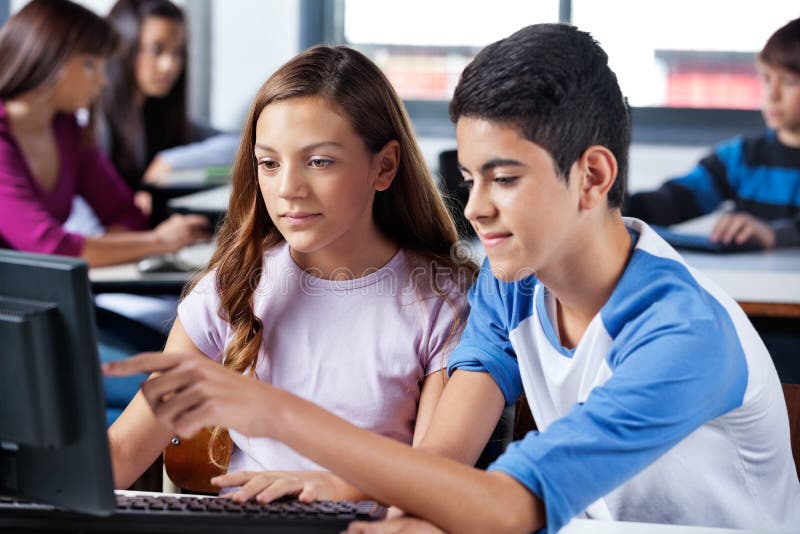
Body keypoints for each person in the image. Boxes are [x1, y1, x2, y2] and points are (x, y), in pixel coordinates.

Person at [106, 24, 800, 533]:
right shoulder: (512, 289)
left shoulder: (682, 335)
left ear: (592, 176)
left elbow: (509, 505)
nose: (473, 207)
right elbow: (439, 466)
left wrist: (275, 413)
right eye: (468, 178)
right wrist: (408, 511)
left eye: (504, 177)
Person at [104, 44, 477, 498]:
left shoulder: (440, 299)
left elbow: (435, 484)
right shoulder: (234, 283)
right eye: (269, 163)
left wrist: (331, 487)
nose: (288, 190)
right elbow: (125, 450)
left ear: (385, 166)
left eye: (319, 161)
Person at [0, 0, 209, 268]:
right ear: (49, 58)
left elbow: (125, 212)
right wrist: (159, 241)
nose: (102, 79)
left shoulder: (68, 131)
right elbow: (48, 247)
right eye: (90, 64)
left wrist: (104, 250)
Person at [625, 17, 800, 250]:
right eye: (767, 79)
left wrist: (774, 235)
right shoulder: (741, 157)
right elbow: (679, 199)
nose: (772, 95)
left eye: (788, 82)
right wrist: (614, 210)